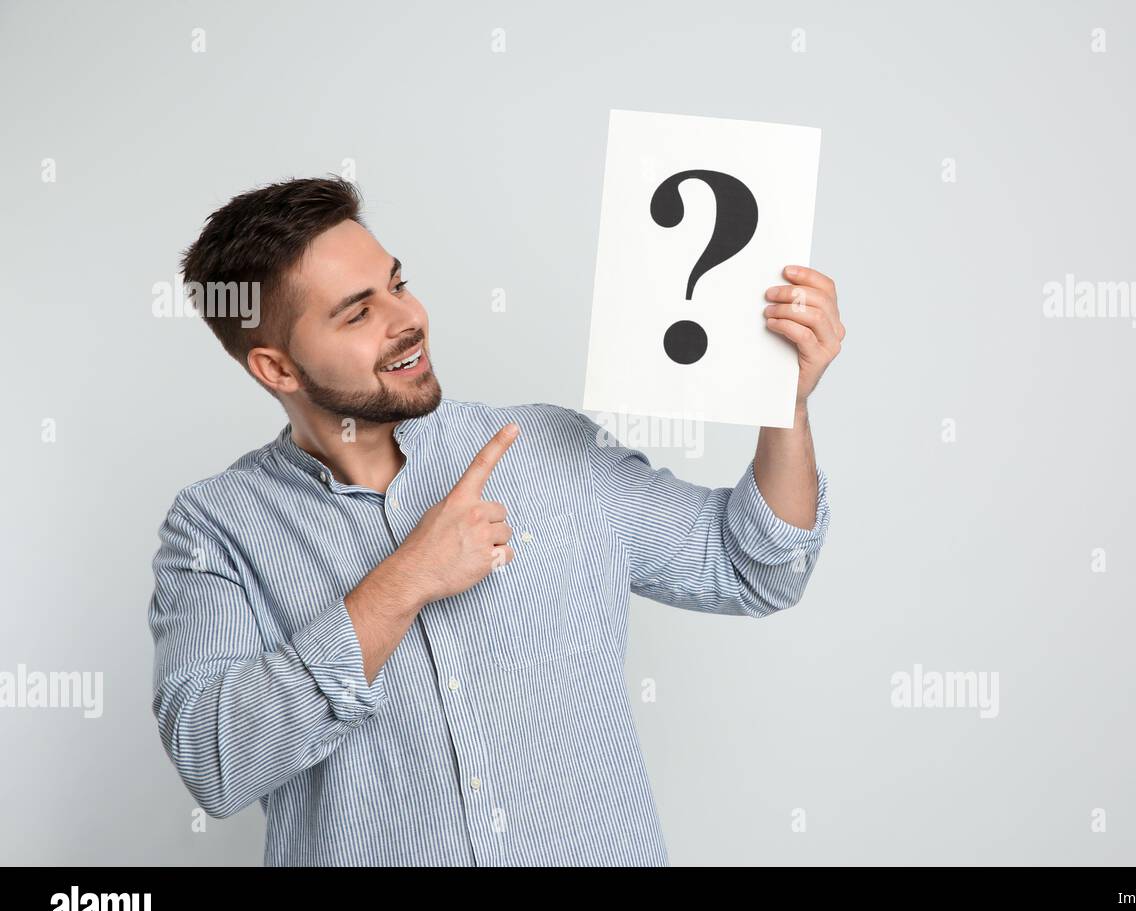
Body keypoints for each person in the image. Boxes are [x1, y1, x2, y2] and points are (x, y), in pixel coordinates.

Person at [147, 176, 841, 865]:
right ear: (277, 368)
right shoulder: (214, 529)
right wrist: (405, 581)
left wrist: (785, 401)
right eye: (358, 314)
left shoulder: (549, 451)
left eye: (398, 283)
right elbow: (217, 760)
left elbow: (756, 568)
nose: (407, 318)